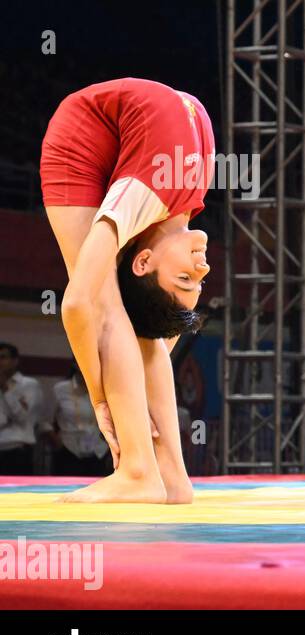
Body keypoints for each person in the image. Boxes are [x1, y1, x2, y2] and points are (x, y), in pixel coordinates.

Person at [41, 78, 214, 503]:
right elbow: (81, 304)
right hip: (129, 131)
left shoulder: (148, 196)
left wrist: (103, 396)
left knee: (113, 306)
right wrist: (103, 400)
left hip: (78, 145)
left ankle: (161, 471)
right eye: (199, 281)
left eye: (186, 279)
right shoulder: (170, 194)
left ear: (143, 261)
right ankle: (150, 470)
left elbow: (80, 303)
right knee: (121, 312)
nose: (203, 265)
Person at [48, 368, 111, 477]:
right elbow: (46, 420)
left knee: (96, 489)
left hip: (98, 450)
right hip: (68, 449)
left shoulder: (105, 388)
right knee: (66, 490)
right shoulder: (61, 389)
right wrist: (57, 442)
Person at [0, 343, 43, 475]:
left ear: (15, 361)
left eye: (3, 357)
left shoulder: (28, 385)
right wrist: (5, 419)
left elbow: (23, 417)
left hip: (17, 450)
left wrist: (5, 388)